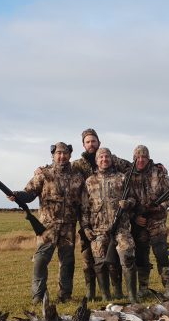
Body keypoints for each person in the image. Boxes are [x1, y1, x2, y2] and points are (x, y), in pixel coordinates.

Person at [8, 142, 86, 304]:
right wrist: (17, 195)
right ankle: (38, 295)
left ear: (70, 155)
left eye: (65, 153)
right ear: (53, 155)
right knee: (41, 260)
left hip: (68, 226)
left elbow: (82, 203)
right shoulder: (43, 174)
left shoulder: (78, 177)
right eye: (58, 153)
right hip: (47, 227)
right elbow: (29, 194)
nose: (62, 156)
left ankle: (65, 295)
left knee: (67, 262)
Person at [73, 128, 132, 301]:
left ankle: (121, 292)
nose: (91, 144)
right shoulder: (79, 166)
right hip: (94, 225)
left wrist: (155, 165)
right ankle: (93, 293)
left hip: (117, 224)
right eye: (88, 142)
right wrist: (85, 226)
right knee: (91, 260)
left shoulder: (117, 168)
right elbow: (84, 206)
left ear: (99, 142)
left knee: (116, 259)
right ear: (84, 145)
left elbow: (136, 165)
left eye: (94, 141)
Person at [129, 144, 169, 299]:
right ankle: (143, 288)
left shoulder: (159, 173)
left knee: (161, 254)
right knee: (141, 256)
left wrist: (160, 207)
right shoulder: (129, 176)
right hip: (140, 223)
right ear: (134, 158)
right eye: (138, 157)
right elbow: (126, 201)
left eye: (144, 157)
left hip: (157, 222)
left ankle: (168, 289)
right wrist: (135, 217)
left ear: (148, 158)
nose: (141, 160)